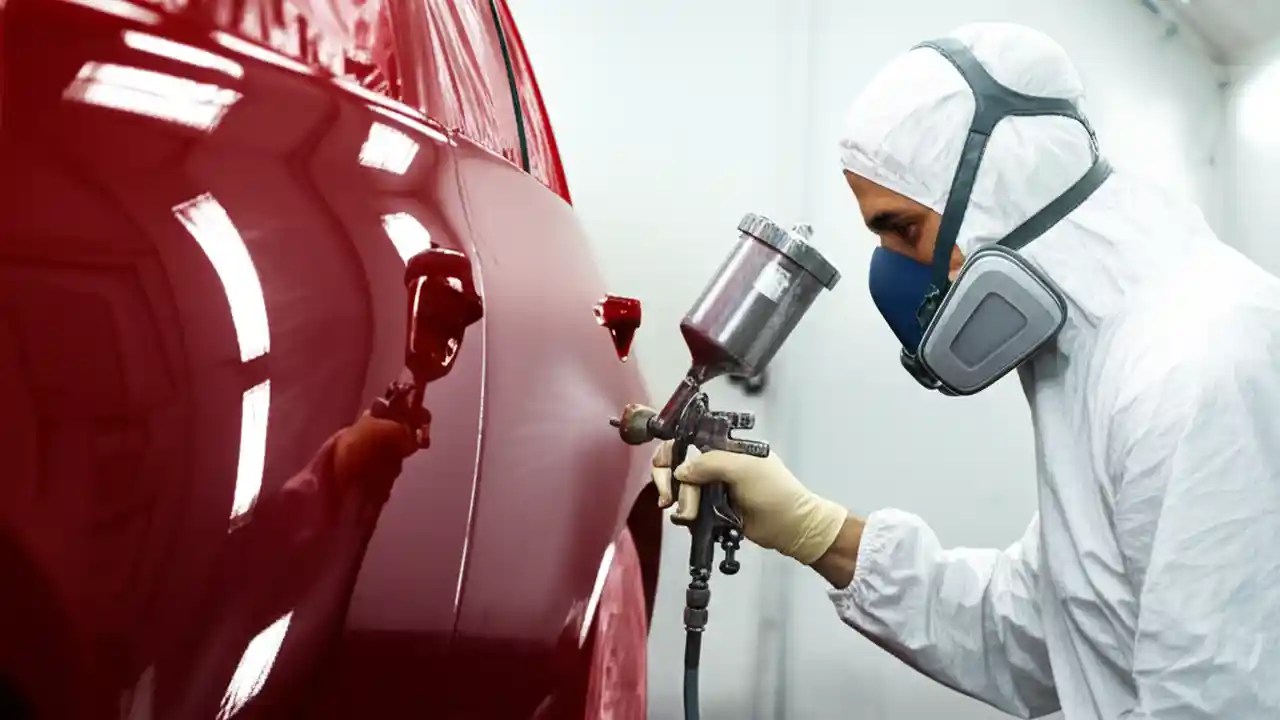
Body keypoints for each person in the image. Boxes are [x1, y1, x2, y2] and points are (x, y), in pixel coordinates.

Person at [651, 22, 1280, 719]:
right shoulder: (1091, 355)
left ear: (995, 201)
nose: (893, 268)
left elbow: (1218, 699)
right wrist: (818, 531)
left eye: (901, 230)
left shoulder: (1197, 363)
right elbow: (1042, 634)